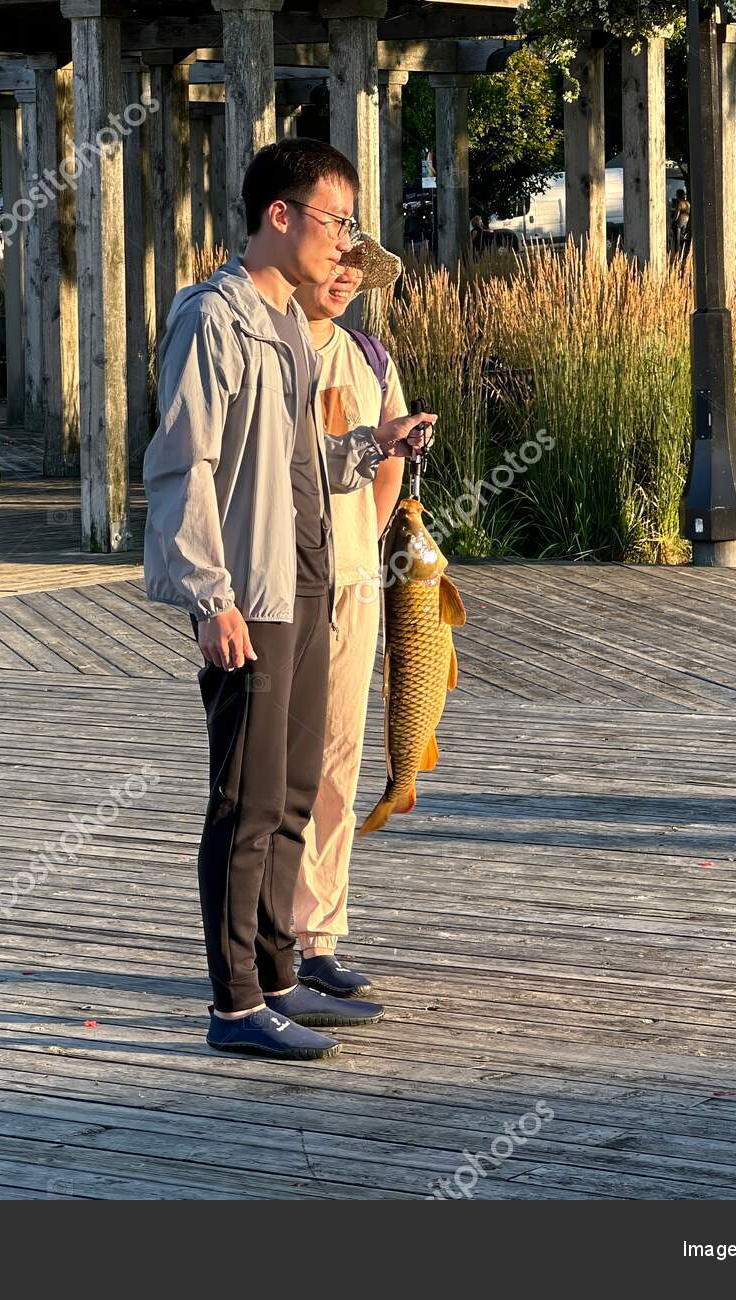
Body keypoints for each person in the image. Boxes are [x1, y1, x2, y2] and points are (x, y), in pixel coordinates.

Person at [142, 139, 437, 1062]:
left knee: (296, 792)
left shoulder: (293, 329)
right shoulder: (214, 318)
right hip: (252, 592)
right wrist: (207, 596)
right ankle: (234, 1005)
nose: (344, 241)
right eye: (335, 220)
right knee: (245, 800)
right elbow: (179, 464)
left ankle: (279, 978)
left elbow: (300, 464)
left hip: (313, 587)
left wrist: (374, 443)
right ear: (280, 215)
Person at [288, 234, 407, 1001]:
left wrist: (364, 536)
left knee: (338, 757)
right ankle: (260, 936)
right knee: (272, 765)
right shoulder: (269, 343)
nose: (344, 275)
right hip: (280, 582)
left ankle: (318, 936)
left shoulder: (371, 355)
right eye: (334, 260)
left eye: (355, 267)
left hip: (356, 581)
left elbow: (392, 453)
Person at [671, 187, 691, 258]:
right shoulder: (688, 203)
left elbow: (677, 215)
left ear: (678, 195)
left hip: (679, 223)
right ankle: (683, 254)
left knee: (677, 240)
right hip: (685, 222)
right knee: (682, 239)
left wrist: (672, 221)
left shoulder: (680, 203)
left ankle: (677, 256)